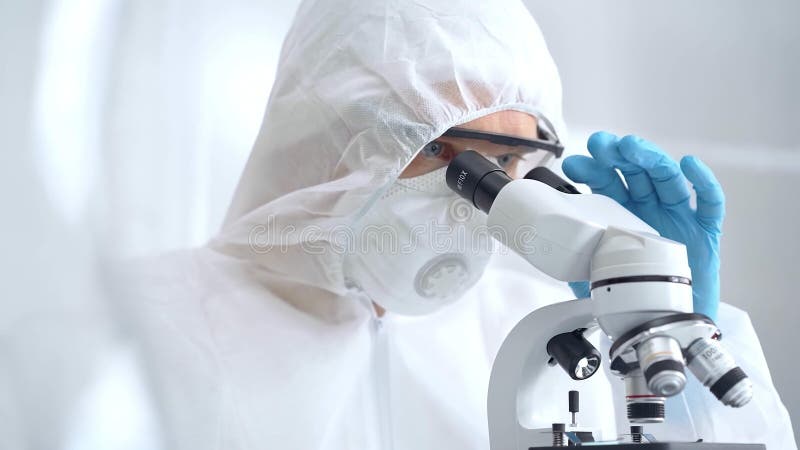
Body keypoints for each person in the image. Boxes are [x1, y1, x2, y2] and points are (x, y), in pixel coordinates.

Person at [127, 0, 796, 448]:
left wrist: (674, 327)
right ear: (329, 136)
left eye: (504, 164)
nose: (473, 197)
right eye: (438, 148)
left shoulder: (537, 339)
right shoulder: (149, 323)